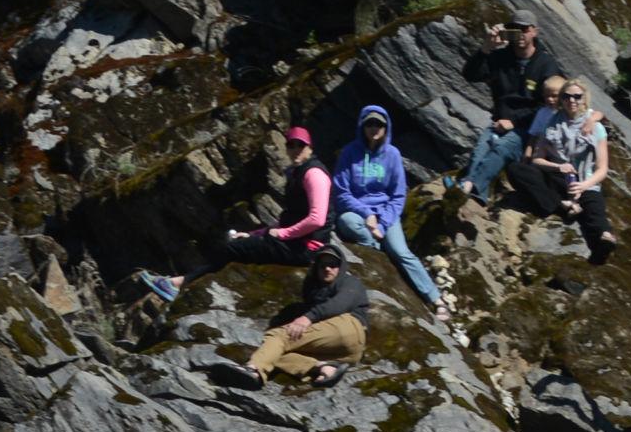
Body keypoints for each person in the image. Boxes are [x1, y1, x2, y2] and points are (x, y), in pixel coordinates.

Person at [139, 125, 331, 301]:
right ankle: (179, 282)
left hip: (308, 248)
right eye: (291, 145)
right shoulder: (298, 173)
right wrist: (255, 234)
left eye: (301, 145)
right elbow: (291, 217)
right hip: (296, 243)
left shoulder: (314, 174)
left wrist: (282, 234)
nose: (296, 149)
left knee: (234, 249)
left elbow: (317, 219)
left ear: (310, 147)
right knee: (238, 245)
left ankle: (179, 284)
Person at [332, 105, 450, 324]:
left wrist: (383, 223)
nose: (374, 128)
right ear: (362, 126)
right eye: (369, 123)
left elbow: (398, 195)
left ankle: (435, 299)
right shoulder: (350, 152)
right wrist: (367, 214)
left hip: (386, 213)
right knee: (347, 222)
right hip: (358, 211)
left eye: (379, 124)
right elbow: (341, 191)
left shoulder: (393, 154)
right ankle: (377, 251)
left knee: (402, 252)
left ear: (386, 128)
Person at [215, 245, 367, 389]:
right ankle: (325, 368)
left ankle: (254, 369)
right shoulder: (314, 290)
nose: (327, 268)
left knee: (279, 336)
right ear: (316, 268)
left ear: (341, 267)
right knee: (277, 353)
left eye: (333, 264)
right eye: (322, 265)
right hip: (344, 355)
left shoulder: (350, 282)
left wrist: (307, 318)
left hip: (349, 327)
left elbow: (339, 305)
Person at [457, 13, 564, 204]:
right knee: (480, 149)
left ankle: (469, 187)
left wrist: (514, 122)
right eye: (514, 29)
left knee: (502, 148)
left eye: (524, 29)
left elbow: (548, 105)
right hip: (499, 123)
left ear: (534, 31)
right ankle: (476, 193)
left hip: (529, 128)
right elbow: (470, 74)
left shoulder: (546, 64)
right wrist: (486, 47)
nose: (520, 34)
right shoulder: (500, 58)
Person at [506, 79, 617, 261]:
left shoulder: (595, 127)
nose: (571, 100)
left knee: (594, 211)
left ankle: (603, 240)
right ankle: (561, 206)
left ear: (584, 99)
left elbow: (602, 169)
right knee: (516, 169)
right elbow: (537, 159)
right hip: (557, 177)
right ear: (561, 99)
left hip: (584, 181)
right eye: (566, 96)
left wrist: (583, 185)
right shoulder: (551, 124)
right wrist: (558, 166)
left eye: (577, 96)